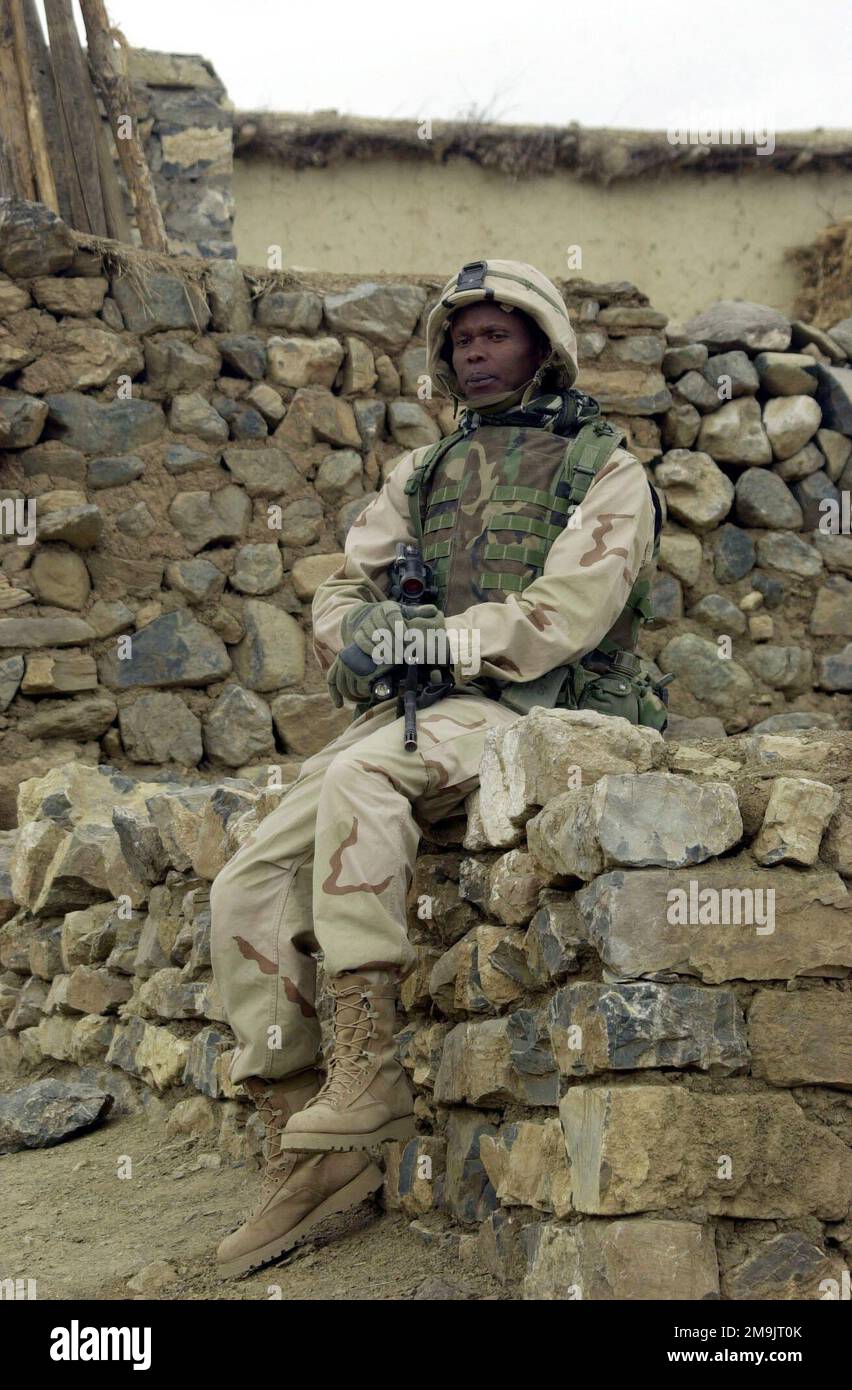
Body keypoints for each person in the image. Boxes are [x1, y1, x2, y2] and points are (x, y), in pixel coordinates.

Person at [211, 258, 662, 1278]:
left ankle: (368, 1076)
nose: (474, 350)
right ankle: (312, 1140)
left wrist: (431, 642)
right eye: (461, 338)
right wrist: (358, 625)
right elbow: (339, 576)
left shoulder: (605, 467)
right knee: (246, 871)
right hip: (423, 706)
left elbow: (562, 620)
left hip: (538, 708)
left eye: (496, 333)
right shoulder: (426, 472)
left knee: (366, 786)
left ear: (542, 346)